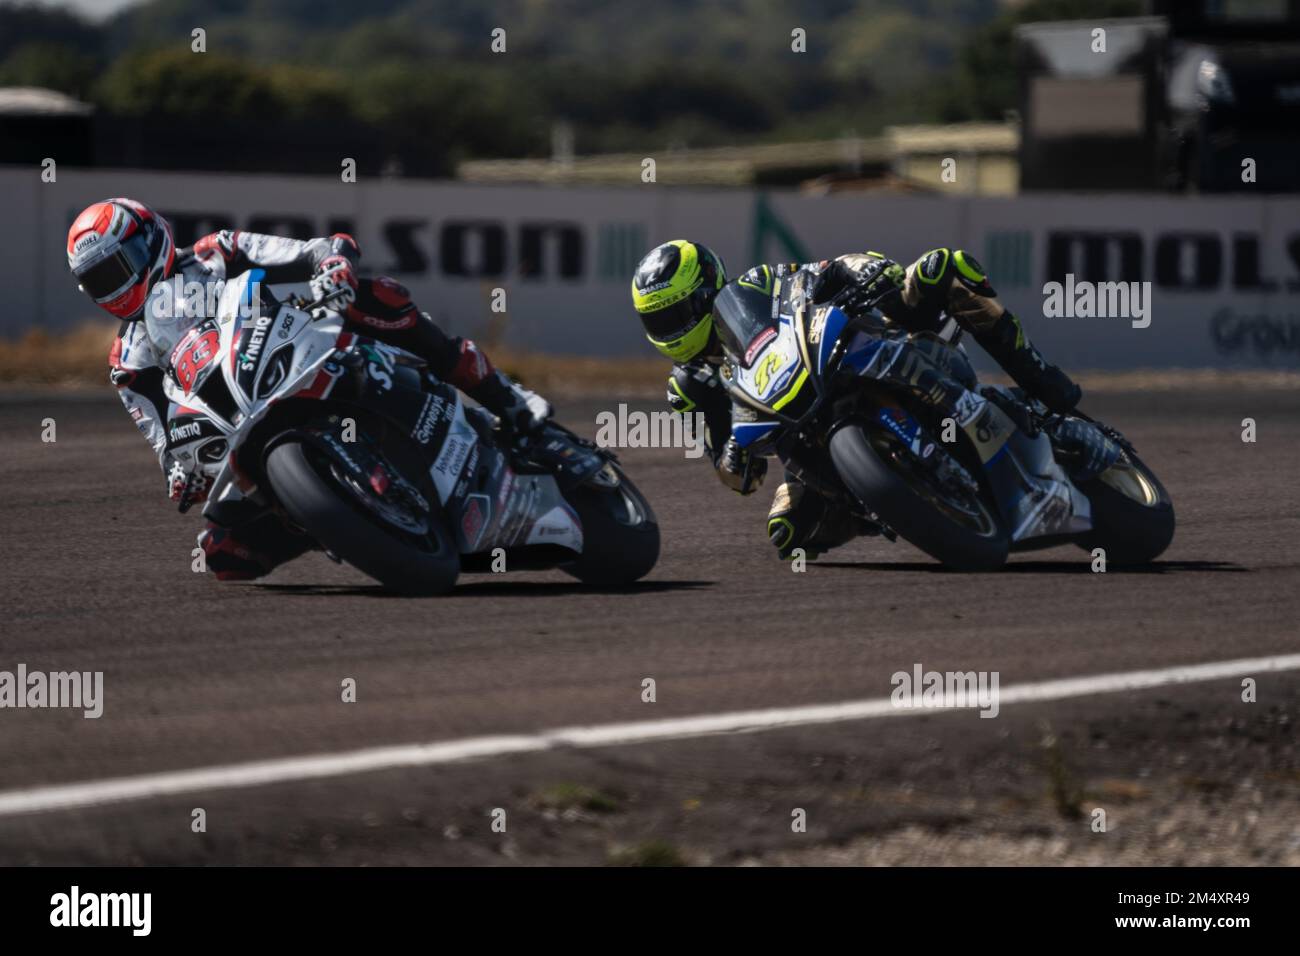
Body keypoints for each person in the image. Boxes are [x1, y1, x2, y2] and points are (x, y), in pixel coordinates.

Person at [68, 197, 551, 580]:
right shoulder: (126, 361)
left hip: (299, 348)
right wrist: (179, 472)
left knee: (376, 294)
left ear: (151, 238)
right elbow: (162, 440)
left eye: (118, 268)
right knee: (226, 554)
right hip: (236, 421)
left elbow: (315, 249)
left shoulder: (215, 253)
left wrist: (332, 266)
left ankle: (506, 397)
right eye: (100, 282)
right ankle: (342, 521)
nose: (116, 288)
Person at [630, 240, 1087, 560]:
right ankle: (895, 499)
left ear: (705, 291)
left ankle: (1040, 379)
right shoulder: (688, 389)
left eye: (677, 313)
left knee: (944, 268)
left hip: (856, 348)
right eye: (659, 321)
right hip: (799, 434)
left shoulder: (757, 283)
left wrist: (864, 268)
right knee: (788, 532)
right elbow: (736, 476)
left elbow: (821, 272)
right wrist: (733, 457)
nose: (671, 329)